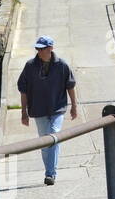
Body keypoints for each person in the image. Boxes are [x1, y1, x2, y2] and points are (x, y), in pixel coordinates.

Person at [17, 35, 78, 185]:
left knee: (53, 136)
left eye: (42, 48)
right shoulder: (30, 66)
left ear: (51, 48)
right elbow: (23, 89)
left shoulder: (61, 65)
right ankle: (50, 170)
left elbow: (70, 86)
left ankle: (50, 174)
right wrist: (23, 112)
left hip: (57, 108)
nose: (39, 51)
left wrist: (74, 106)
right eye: (38, 49)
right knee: (45, 142)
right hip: (38, 109)